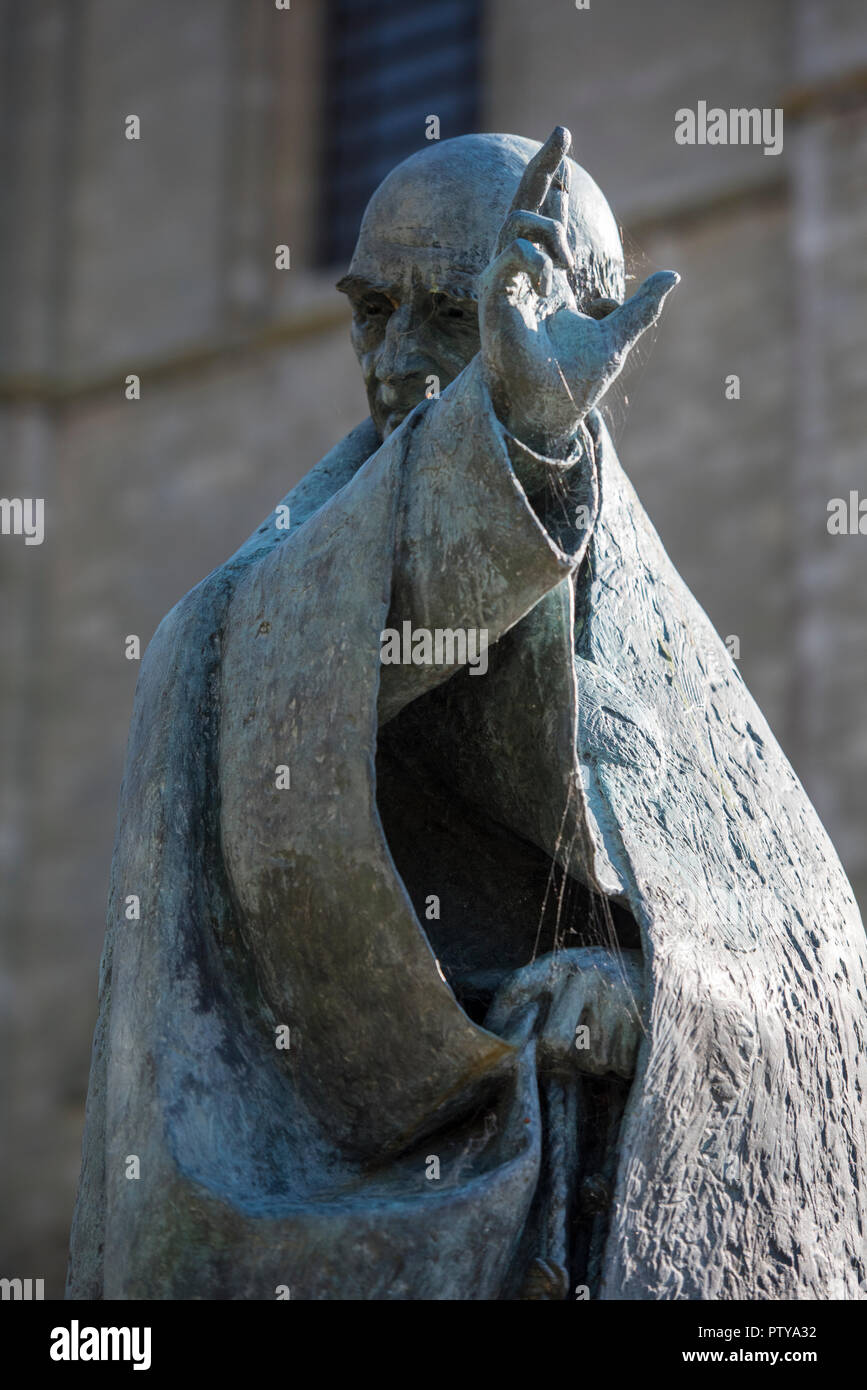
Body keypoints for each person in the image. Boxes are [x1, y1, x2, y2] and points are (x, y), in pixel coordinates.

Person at [67, 128, 867, 1301]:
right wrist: (519, 449)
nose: (393, 361)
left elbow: (818, 979)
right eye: (371, 309)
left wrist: (646, 997)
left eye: (451, 316)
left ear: (589, 332)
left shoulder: (679, 671)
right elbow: (338, 619)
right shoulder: (249, 618)